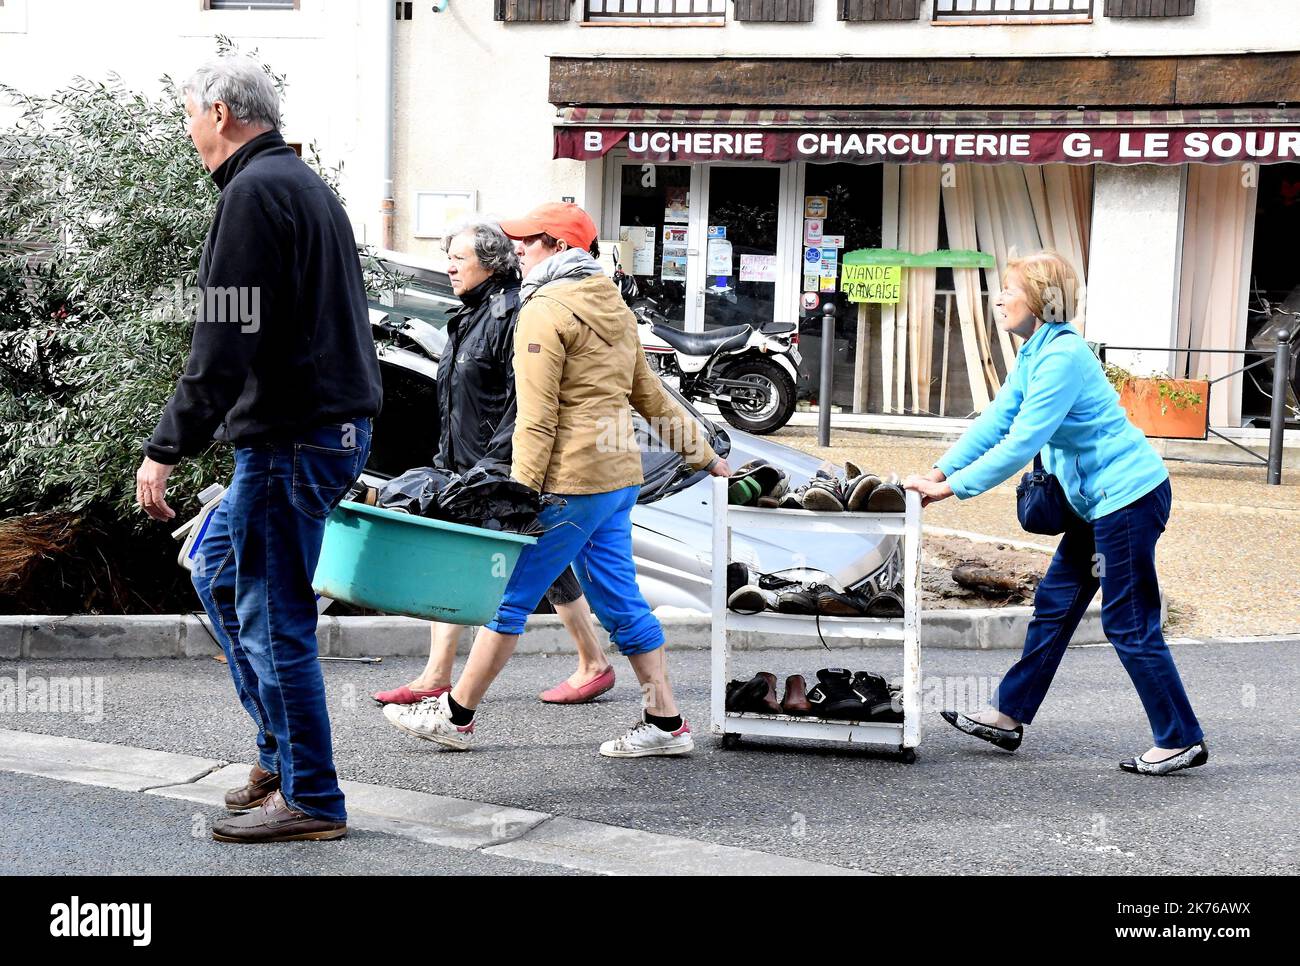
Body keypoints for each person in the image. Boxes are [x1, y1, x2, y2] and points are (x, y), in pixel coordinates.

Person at [136, 56, 381, 842]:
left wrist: (166, 447)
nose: (187, 129)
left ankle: (313, 798)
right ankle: (281, 755)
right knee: (215, 570)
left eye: (188, 113)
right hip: (318, 431)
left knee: (276, 616)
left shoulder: (253, 193)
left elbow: (223, 336)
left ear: (220, 112)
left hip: (292, 439)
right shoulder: (299, 184)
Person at [385, 202, 731, 757]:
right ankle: (665, 723)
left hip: (571, 482)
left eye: (527, 241)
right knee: (620, 603)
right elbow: (648, 392)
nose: (517, 249)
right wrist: (704, 453)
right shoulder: (611, 302)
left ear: (556, 246)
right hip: (617, 481)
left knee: (509, 597)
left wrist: (520, 492)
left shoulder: (543, 308)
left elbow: (536, 413)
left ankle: (455, 715)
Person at [904, 251, 1206, 777]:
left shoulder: (1063, 358)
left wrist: (953, 490)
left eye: (1009, 290)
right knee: (1056, 603)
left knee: (1129, 622)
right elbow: (998, 420)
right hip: (1099, 505)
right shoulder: (1036, 353)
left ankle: (1180, 738)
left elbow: (1024, 440)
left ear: (1040, 300)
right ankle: (1006, 714)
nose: (998, 298)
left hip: (1128, 501)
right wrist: (937, 471)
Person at [371, 220, 614, 707]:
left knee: (523, 561)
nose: (449, 267)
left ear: (489, 262)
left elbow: (526, 399)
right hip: (460, 461)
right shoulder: (469, 315)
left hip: (494, 468)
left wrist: (497, 468)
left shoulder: (512, 315)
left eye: (457, 259)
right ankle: (444, 673)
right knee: (524, 558)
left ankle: (586, 662)